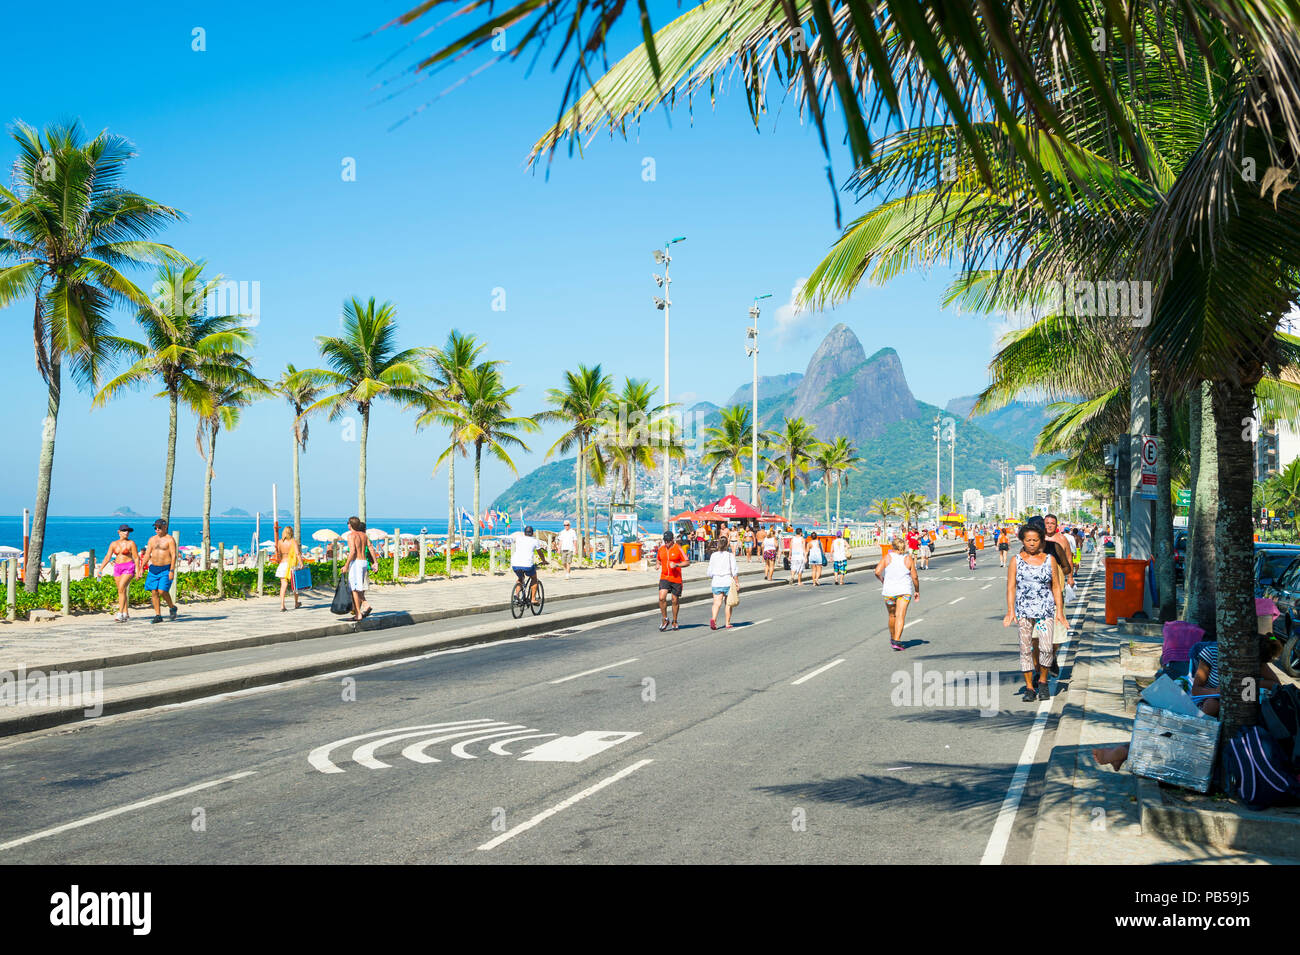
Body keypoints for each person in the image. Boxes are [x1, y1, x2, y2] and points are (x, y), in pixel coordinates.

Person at [1003, 522, 1066, 703]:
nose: (1031, 543)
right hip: (1024, 612)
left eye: (1035, 540)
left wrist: (1059, 611)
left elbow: (1055, 586)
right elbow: (1011, 587)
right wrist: (1010, 611)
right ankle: (1030, 687)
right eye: (1028, 540)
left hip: (1045, 611)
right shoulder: (1015, 561)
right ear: (1022, 540)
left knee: (1046, 648)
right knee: (1026, 649)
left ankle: (1043, 681)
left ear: (1041, 541)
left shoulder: (1049, 560)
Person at [875, 536, 919, 651]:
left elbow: (877, 571)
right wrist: (917, 590)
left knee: (892, 615)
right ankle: (897, 640)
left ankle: (892, 637)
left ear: (892, 547)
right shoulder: (908, 559)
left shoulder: (887, 557)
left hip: (889, 592)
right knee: (900, 615)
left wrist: (882, 580)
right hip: (904, 592)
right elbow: (914, 577)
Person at [99, 524, 140, 623]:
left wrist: (138, 570)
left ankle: (120, 614)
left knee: (121, 588)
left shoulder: (131, 543)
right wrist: (100, 569)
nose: (126, 532)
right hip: (117, 568)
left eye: (128, 531)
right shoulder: (113, 544)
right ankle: (126, 613)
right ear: (119, 532)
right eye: (124, 530)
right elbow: (108, 556)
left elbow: (136, 557)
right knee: (121, 590)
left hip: (129, 567)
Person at [141, 519, 179, 624]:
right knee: (154, 591)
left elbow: (174, 555)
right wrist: (141, 568)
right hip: (153, 569)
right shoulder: (152, 539)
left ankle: (172, 607)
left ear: (165, 527)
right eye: (155, 528)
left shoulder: (170, 539)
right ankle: (158, 615)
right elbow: (147, 554)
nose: (157, 530)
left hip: (165, 568)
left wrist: (172, 570)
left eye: (159, 528)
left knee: (162, 591)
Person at [345, 517, 381, 621]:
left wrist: (346, 565)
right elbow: (371, 548)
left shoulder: (351, 536)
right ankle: (362, 609)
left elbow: (352, 552)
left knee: (355, 589)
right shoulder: (364, 535)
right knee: (357, 588)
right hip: (364, 562)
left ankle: (360, 612)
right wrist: (375, 562)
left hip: (356, 562)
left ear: (350, 525)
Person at [657, 530, 689, 631]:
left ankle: (675, 621)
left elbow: (687, 562)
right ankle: (665, 619)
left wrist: (676, 565)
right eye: (665, 541)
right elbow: (658, 559)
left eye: (668, 541)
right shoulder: (661, 549)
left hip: (676, 578)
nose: (666, 543)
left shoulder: (678, 548)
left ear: (672, 540)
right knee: (662, 598)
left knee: (675, 600)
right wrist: (658, 564)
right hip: (664, 577)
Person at [509, 524, 547, 604]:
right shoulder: (535, 541)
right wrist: (544, 561)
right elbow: (540, 553)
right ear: (532, 533)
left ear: (524, 533)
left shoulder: (519, 539)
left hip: (515, 563)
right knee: (534, 578)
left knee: (520, 578)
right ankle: (533, 599)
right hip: (527, 564)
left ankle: (516, 595)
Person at [707, 537, 739, 630]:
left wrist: (713, 576)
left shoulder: (713, 555)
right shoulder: (730, 555)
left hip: (716, 581)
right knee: (728, 603)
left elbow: (709, 571)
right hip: (727, 581)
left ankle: (713, 619)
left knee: (716, 603)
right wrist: (737, 582)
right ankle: (727, 623)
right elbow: (734, 571)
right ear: (727, 545)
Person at [275, 526, 302, 612]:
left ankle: (282, 605)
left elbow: (278, 554)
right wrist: (301, 563)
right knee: (295, 585)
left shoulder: (280, 542)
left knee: (283, 586)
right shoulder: (293, 541)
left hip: (283, 564)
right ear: (291, 532)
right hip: (291, 565)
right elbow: (297, 553)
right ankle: (296, 603)